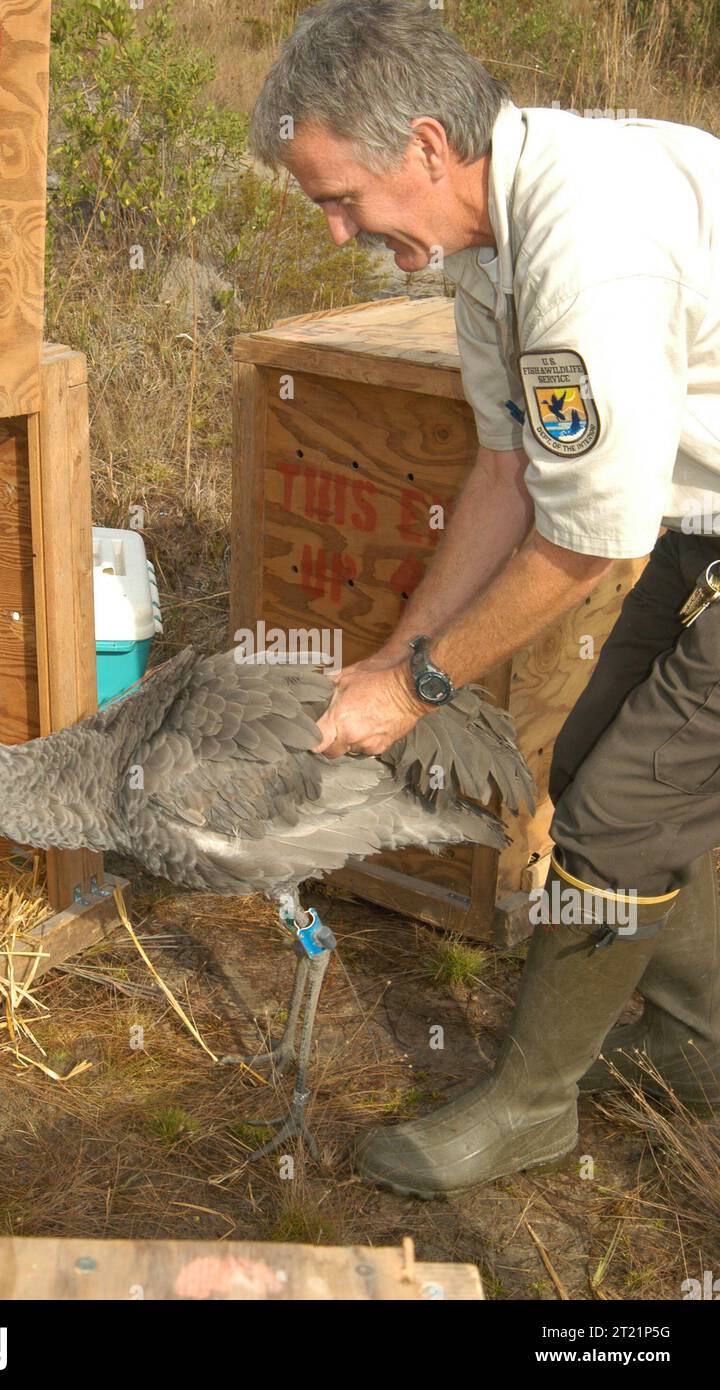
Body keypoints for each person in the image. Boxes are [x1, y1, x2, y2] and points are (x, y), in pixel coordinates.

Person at [248, 0, 720, 1197]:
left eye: (341, 198)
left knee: (617, 812)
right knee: (602, 760)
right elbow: (507, 473)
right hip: (700, 509)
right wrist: (396, 653)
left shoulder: (585, 248)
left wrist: (413, 690)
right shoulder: (481, 252)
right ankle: (697, 1036)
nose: (345, 231)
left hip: (669, 516)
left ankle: (531, 1106)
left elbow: (590, 542)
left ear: (424, 143)